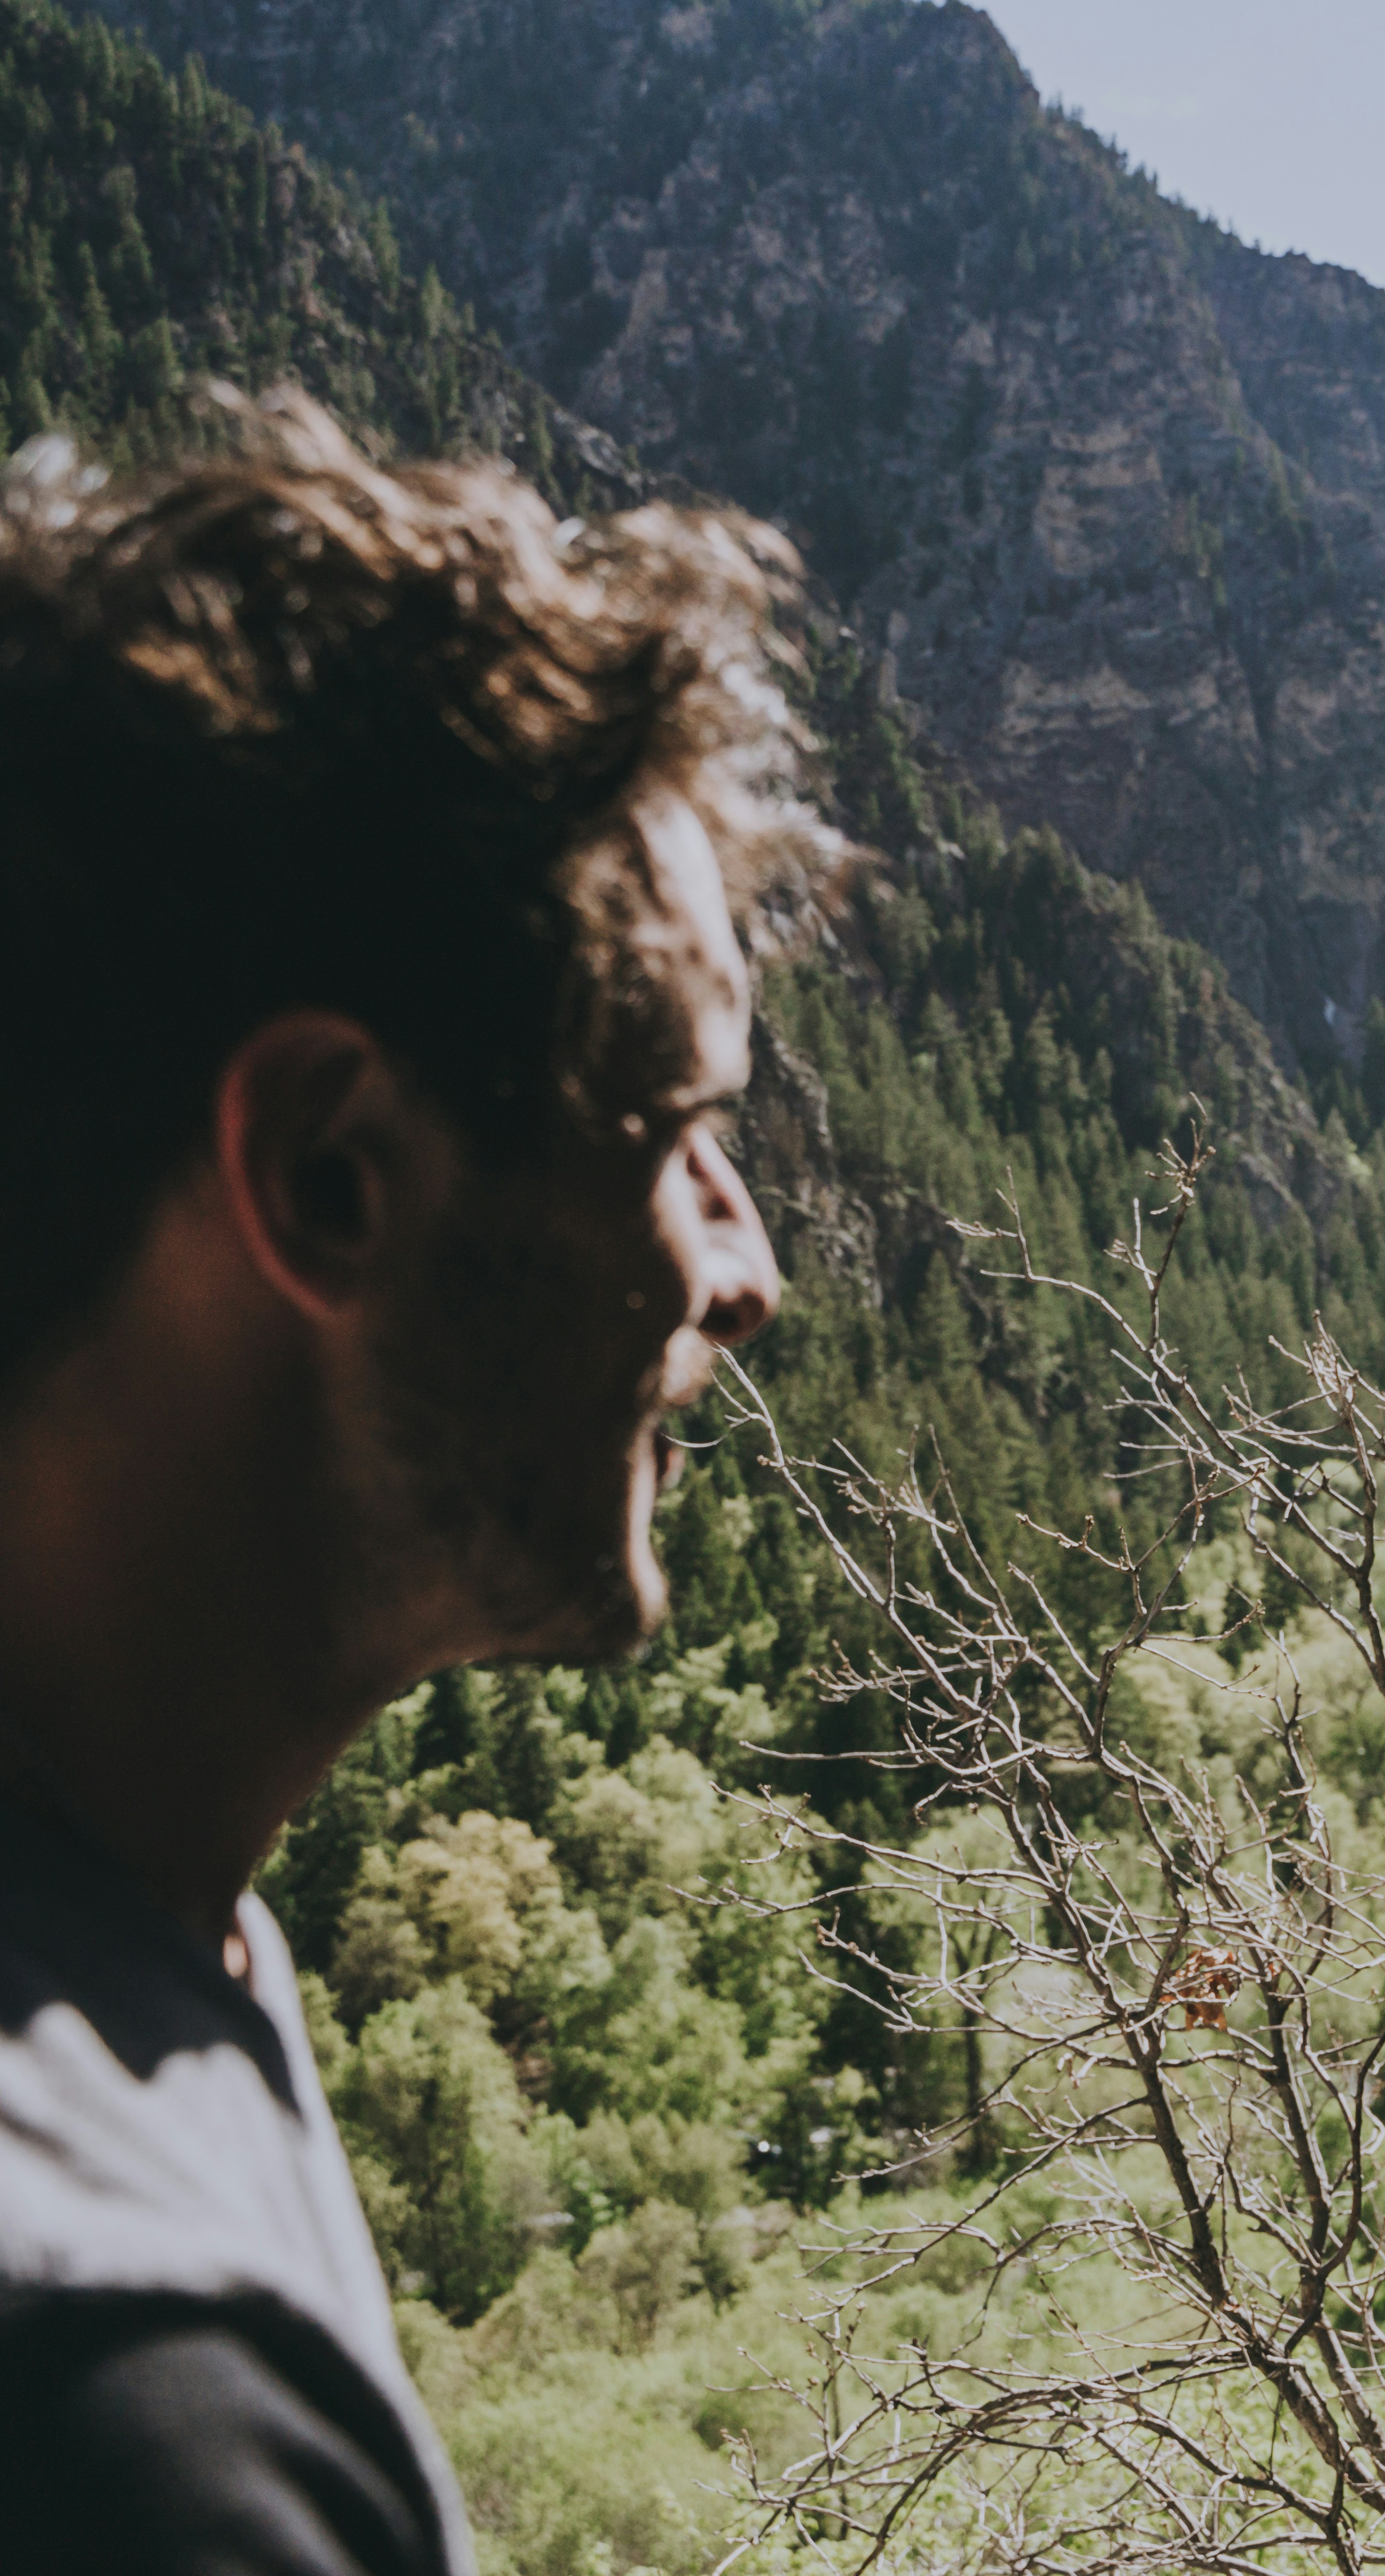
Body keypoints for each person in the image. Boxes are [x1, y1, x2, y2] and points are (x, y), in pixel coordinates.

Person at [0, 396, 841, 2572]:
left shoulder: (136, 1928)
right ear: (330, 1176)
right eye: (673, 1135)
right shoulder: (127, 2413)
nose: (744, 1271)